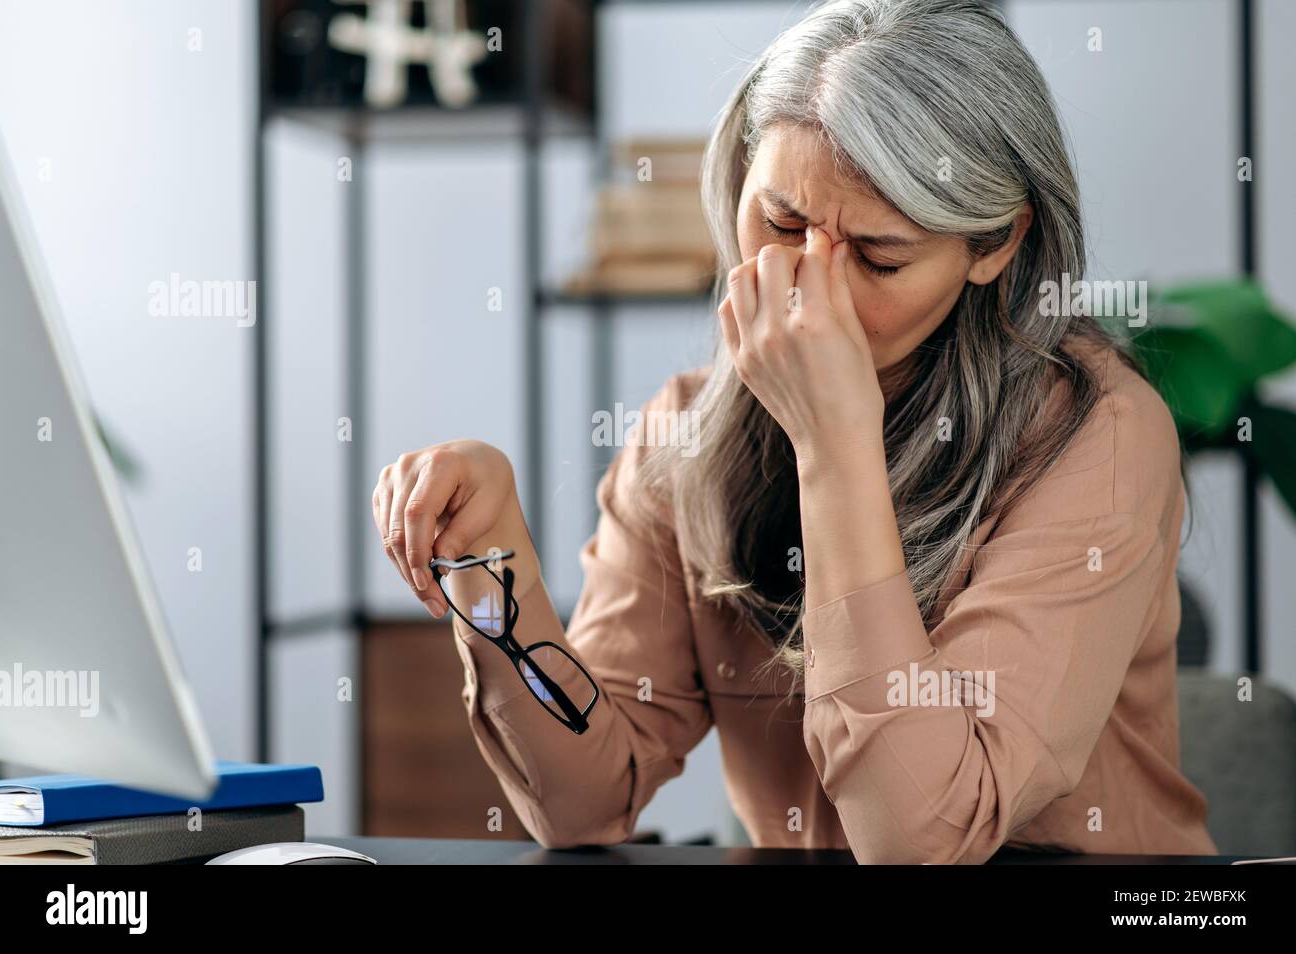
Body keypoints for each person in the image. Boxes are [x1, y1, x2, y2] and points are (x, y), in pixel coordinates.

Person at [371, 0, 1217, 863]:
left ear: (995, 246)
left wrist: (835, 445)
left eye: (880, 257)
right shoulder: (687, 436)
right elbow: (583, 804)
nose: (810, 288)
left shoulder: (1097, 436)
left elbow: (922, 839)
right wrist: (491, 564)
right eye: (779, 224)